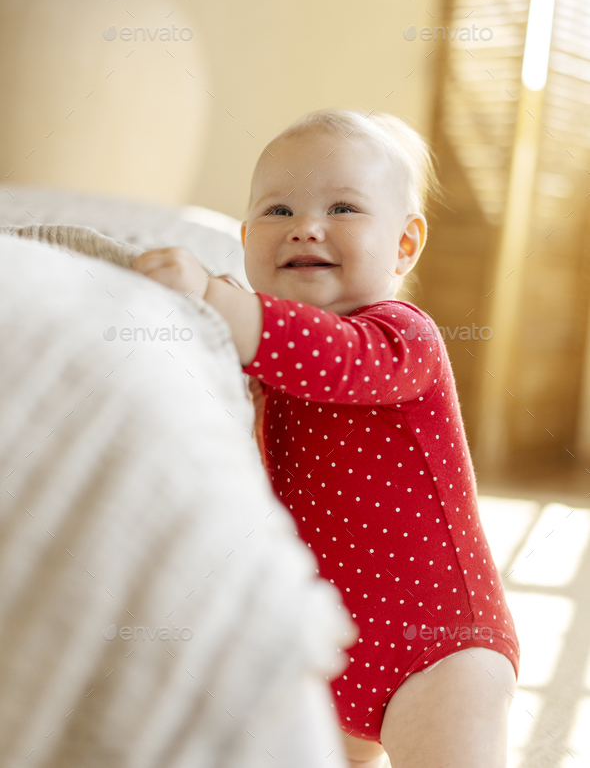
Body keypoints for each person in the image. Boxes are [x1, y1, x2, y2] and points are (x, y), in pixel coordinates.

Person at [132, 109, 519, 768]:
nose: (306, 225)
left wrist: (227, 306)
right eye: (278, 211)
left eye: (343, 206)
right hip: (328, 647)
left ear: (404, 245)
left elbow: (334, 357)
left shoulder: (402, 336)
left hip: (443, 649)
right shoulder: (270, 361)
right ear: (248, 237)